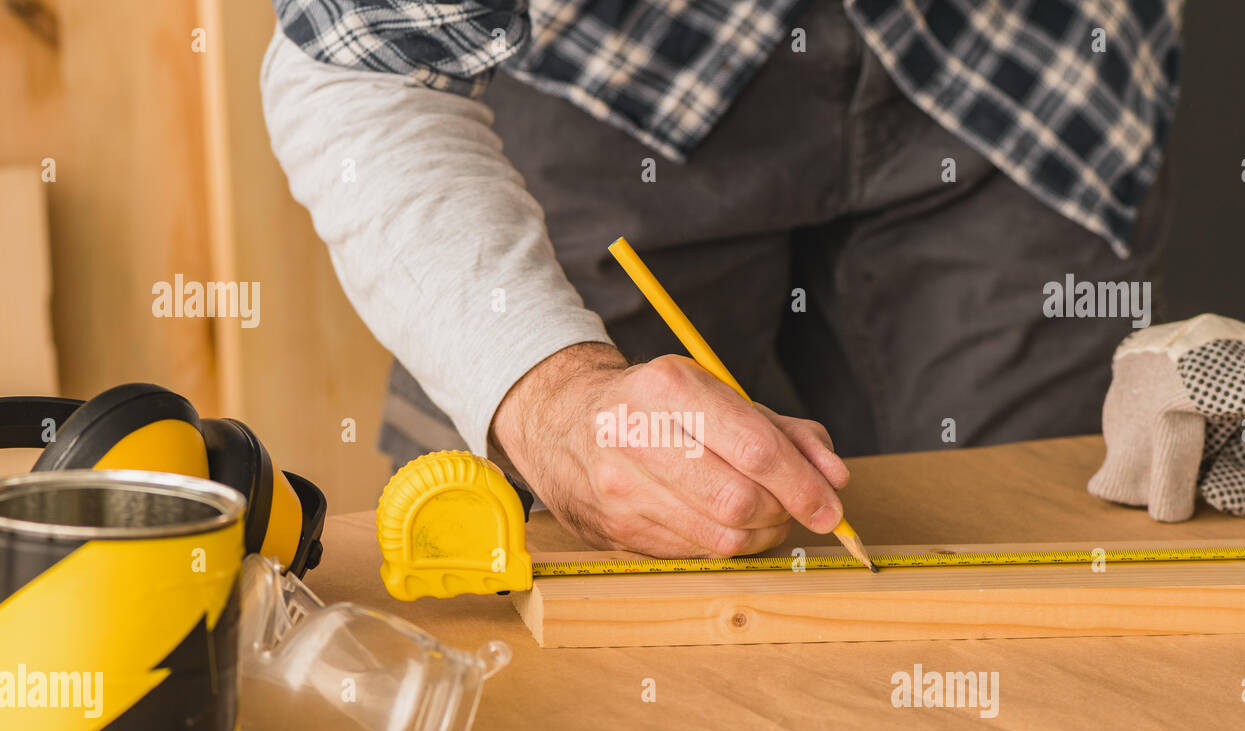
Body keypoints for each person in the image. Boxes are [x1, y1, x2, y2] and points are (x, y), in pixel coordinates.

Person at [262, 0, 1182, 557]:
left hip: (1029, 67)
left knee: (1046, 555)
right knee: (591, 559)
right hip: (605, 62)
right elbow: (358, 68)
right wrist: (548, 400)